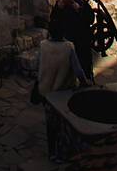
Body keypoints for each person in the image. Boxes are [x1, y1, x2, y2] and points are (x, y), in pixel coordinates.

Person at [36, 19, 89, 161]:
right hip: (63, 92)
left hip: (46, 91)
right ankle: (62, 154)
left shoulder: (43, 46)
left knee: (50, 124)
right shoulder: (68, 47)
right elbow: (78, 70)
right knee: (63, 124)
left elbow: (38, 66)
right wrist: (85, 82)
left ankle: (52, 151)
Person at [48, 0, 95, 81]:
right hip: (66, 44)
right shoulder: (60, 4)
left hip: (81, 44)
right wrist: (58, 10)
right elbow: (53, 24)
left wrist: (79, 10)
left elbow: (90, 19)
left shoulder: (82, 3)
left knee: (84, 68)